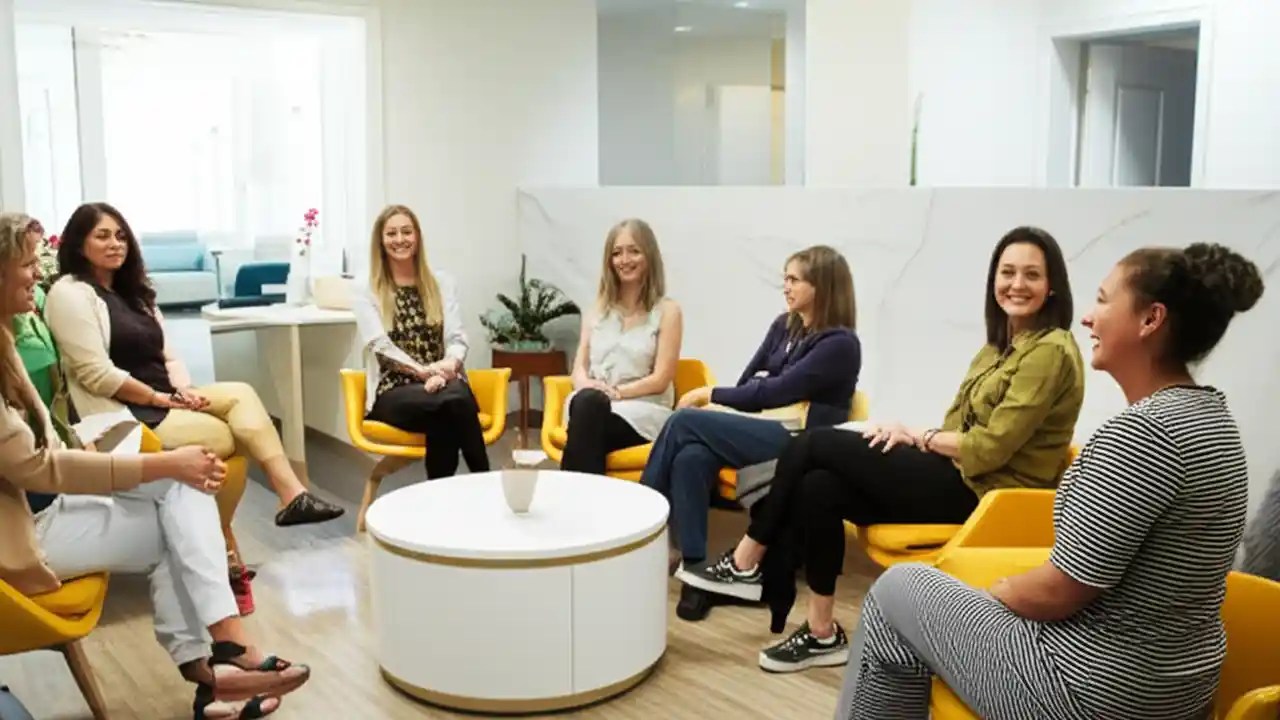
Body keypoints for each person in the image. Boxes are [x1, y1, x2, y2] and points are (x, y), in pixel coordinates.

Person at [835, 242, 1263, 720]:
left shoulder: (1144, 433)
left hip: (1101, 692)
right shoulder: (1213, 419)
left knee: (898, 590)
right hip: (1181, 689)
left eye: (1102, 300)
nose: (1088, 318)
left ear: (1150, 320)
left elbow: (1060, 591)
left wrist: (998, 593)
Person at [684, 227, 1084, 672]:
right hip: (959, 473)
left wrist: (919, 436)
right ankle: (821, 633)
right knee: (819, 486)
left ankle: (747, 559)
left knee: (816, 443)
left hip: (991, 496)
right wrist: (920, 436)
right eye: (1007, 272)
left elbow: (989, 449)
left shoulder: (1051, 350)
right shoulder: (996, 348)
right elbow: (958, 428)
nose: (1016, 284)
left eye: (1031, 274)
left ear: (1052, 287)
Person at [0, 211, 310, 719]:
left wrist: (166, 461)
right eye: (28, 264)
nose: (38, 274)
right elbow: (36, 468)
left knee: (183, 502)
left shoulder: (6, 339)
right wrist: (161, 466)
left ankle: (222, 665)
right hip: (25, 535)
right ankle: (218, 665)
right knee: (180, 503)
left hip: (50, 506)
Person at [43, 202, 342, 526]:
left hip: (166, 398)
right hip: (126, 412)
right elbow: (97, 375)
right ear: (78, 244)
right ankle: (222, 542)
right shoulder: (69, 293)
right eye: (102, 236)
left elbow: (168, 354)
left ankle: (293, 496)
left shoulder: (134, 293)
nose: (115, 244)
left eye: (121, 236)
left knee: (241, 394)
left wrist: (183, 390)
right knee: (226, 437)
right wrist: (158, 398)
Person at [648, 245, 860, 622]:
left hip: (801, 444)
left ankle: (641, 519)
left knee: (684, 422)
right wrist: (757, 391)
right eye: (785, 278)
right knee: (690, 456)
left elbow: (772, 391)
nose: (786, 286)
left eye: (794, 279)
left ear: (822, 286)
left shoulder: (840, 344)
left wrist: (709, 393)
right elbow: (751, 384)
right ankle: (698, 574)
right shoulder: (784, 326)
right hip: (766, 428)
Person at [350, 204, 488, 479]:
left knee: (446, 410)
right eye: (391, 233)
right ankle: (484, 480)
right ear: (380, 240)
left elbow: (457, 336)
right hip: (394, 391)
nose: (399, 239)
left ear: (417, 237)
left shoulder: (441, 282)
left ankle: (439, 496)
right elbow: (380, 346)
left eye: (406, 232)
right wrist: (425, 373)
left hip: (442, 383)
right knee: (457, 401)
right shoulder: (366, 288)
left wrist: (447, 367)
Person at [559, 218, 682, 475]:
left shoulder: (668, 311)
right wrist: (589, 386)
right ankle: (589, 504)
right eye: (617, 253)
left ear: (649, 256)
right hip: (591, 405)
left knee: (587, 428)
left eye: (633, 251)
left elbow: (661, 379)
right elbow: (578, 371)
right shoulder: (595, 312)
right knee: (588, 407)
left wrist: (616, 393)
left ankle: (573, 501)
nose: (624, 260)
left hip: (641, 412)